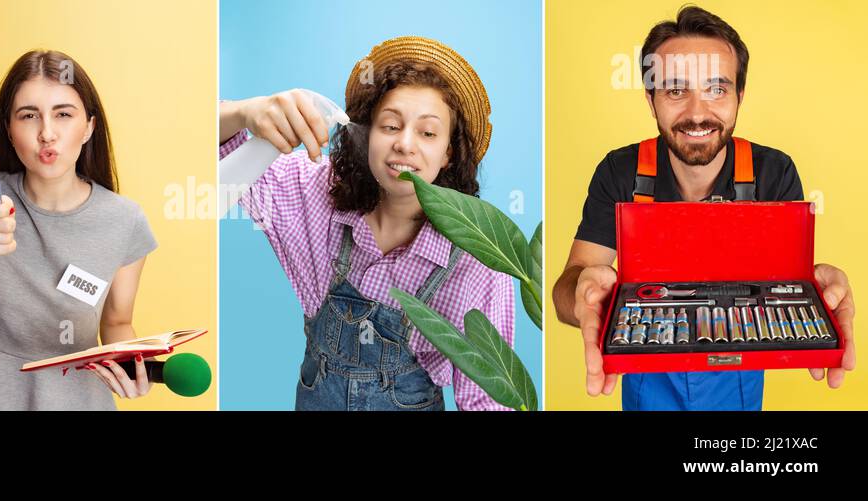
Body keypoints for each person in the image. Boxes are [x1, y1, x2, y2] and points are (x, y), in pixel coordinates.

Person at [552, 6, 856, 410]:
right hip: (647, 380)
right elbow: (565, 288)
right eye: (676, 90)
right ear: (651, 99)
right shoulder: (620, 171)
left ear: (739, 96)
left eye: (716, 89)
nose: (697, 112)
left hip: (738, 391)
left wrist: (814, 293)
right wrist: (583, 294)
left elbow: (786, 293)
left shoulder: (773, 172)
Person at [218, 36, 516, 410]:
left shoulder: (479, 257)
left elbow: (490, 401)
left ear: (448, 153)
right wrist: (247, 112)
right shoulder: (314, 194)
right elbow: (208, 156)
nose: (405, 145)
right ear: (366, 133)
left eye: (427, 133)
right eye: (390, 125)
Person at [0, 50, 158, 410]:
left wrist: (132, 364)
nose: (47, 134)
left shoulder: (125, 221)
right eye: (29, 116)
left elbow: (117, 322)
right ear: (8, 128)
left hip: (76, 395)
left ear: (89, 128)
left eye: (64, 114)